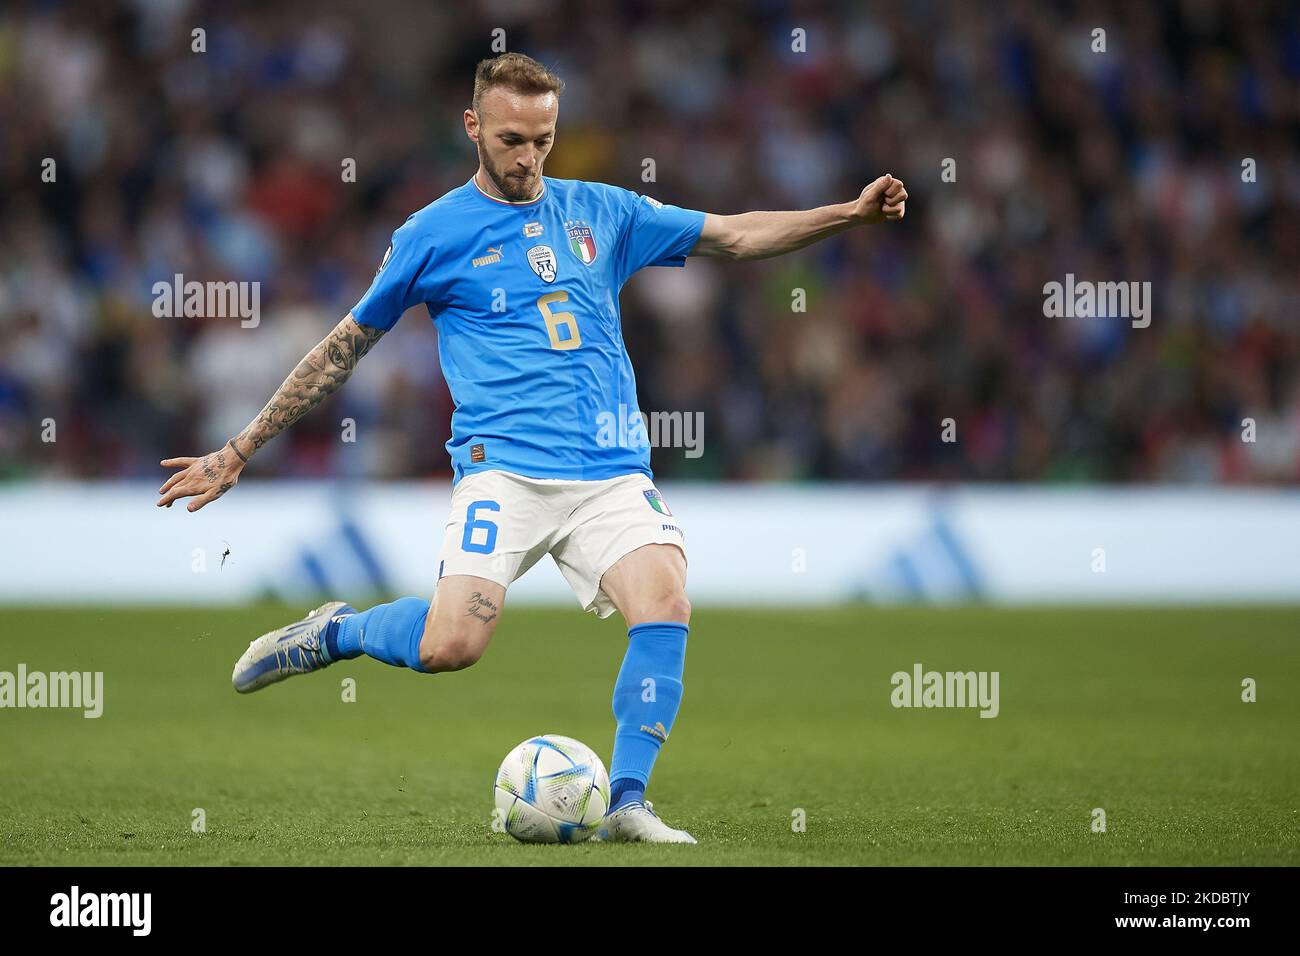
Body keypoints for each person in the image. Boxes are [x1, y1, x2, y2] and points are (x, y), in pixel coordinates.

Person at [157, 52, 907, 843]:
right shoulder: (431, 234)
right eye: (512, 139)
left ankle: (626, 803)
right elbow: (343, 347)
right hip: (503, 471)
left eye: (544, 140)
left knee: (666, 603)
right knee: (452, 646)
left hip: (611, 472)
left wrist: (846, 215)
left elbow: (736, 234)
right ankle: (335, 632)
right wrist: (239, 450)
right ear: (474, 127)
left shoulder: (602, 212)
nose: (528, 158)